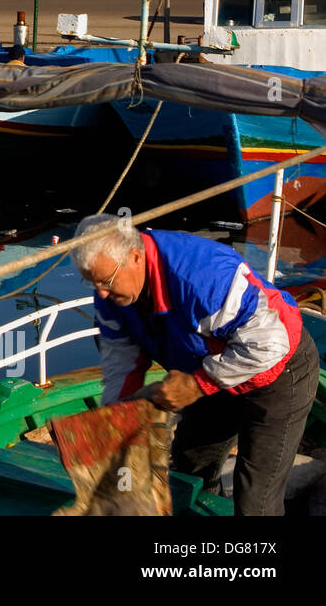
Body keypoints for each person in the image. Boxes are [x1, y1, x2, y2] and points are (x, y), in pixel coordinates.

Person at [73, 213, 318, 515]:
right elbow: (121, 365)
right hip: (209, 368)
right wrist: (117, 424)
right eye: (92, 282)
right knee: (191, 469)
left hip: (279, 372)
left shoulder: (202, 277)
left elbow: (269, 344)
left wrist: (196, 384)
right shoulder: (111, 296)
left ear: (136, 257)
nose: (101, 294)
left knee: (257, 498)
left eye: (105, 281)